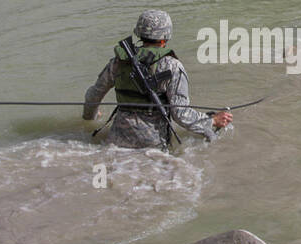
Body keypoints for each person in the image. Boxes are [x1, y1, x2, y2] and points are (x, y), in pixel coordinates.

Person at [83, 9, 232, 150]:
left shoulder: (118, 62)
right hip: (153, 147)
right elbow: (180, 114)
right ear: (164, 38)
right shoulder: (172, 65)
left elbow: (93, 96)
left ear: (139, 34)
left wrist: (92, 116)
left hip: (115, 144)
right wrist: (212, 121)